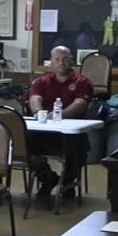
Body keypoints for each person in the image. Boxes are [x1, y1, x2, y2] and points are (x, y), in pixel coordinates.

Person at [26, 45, 93, 198]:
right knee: (23, 144)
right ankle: (48, 178)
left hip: (70, 134)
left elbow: (80, 104)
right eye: (56, 59)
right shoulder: (41, 82)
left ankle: (68, 182)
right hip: (44, 132)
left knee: (77, 147)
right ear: (51, 62)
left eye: (64, 59)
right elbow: (35, 98)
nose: (61, 63)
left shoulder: (83, 82)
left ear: (71, 61)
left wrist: (59, 115)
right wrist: (39, 112)